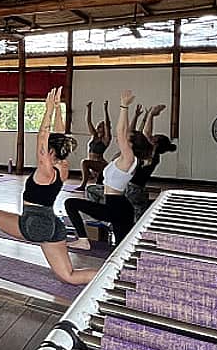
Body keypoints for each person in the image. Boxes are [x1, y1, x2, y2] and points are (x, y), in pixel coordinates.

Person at [0, 88, 93, 284]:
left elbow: (42, 136)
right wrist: (57, 109)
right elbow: (59, 136)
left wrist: (48, 110)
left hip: (34, 223)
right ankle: (112, 277)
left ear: (50, 151)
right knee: (69, 276)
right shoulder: (63, 167)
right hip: (53, 224)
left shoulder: (46, 169)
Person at [64, 90, 152, 245]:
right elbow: (126, 131)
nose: (121, 138)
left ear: (131, 145)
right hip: (117, 205)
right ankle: (83, 240)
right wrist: (141, 115)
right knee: (121, 247)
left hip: (117, 207)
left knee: (70, 204)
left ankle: (83, 240)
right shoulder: (125, 158)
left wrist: (124, 106)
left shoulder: (129, 158)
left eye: (126, 138)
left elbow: (121, 131)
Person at [125, 104, 176, 218]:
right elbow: (135, 133)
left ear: (155, 143)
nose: (151, 136)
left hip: (133, 189)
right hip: (137, 189)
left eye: (154, 137)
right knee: (137, 215)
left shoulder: (151, 155)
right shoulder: (154, 156)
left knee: (132, 215)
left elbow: (146, 134)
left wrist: (151, 115)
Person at [78, 101, 110, 191]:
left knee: (84, 162)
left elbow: (107, 124)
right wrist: (89, 109)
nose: (99, 127)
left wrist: (105, 109)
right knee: (98, 184)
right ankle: (90, 178)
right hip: (93, 164)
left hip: (101, 164)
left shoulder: (105, 139)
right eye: (99, 126)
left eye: (101, 126)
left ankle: (83, 185)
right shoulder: (94, 136)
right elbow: (88, 122)